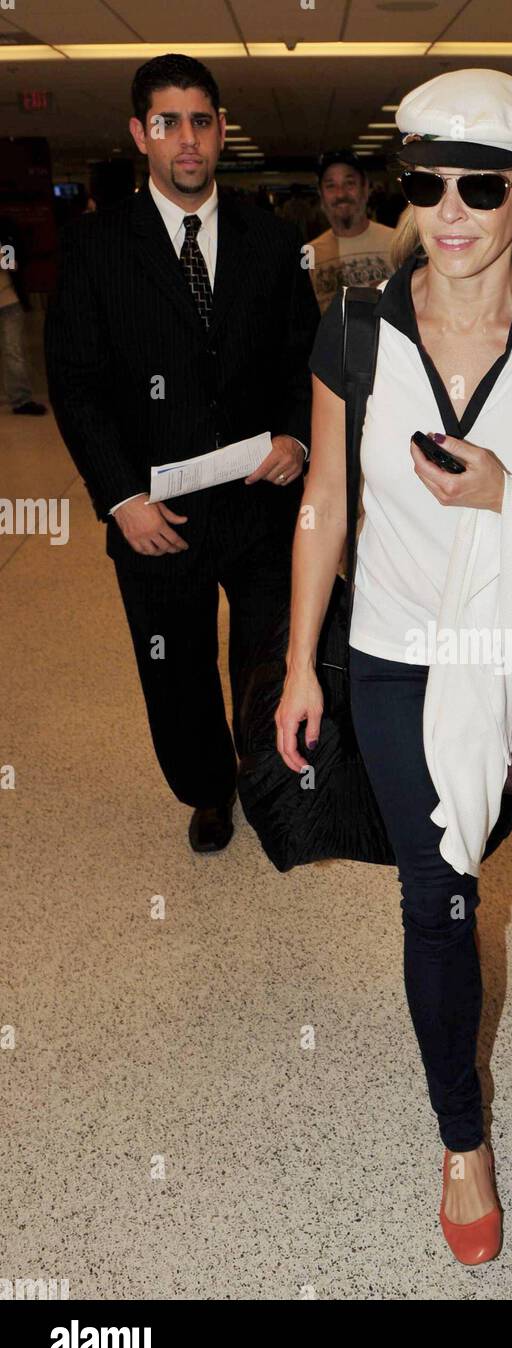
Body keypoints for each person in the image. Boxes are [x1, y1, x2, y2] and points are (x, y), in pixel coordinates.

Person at [276, 68, 512, 1265]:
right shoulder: (351, 322)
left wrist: (505, 496)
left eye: (482, 184)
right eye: (426, 184)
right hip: (389, 652)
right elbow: (324, 501)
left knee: (471, 854)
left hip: (510, 663)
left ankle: (458, 1067)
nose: (452, 210)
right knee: (438, 893)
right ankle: (463, 1139)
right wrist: (298, 666)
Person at [45, 53, 319, 853]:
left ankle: (275, 781)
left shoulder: (272, 240)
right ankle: (208, 787)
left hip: (264, 499)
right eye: (168, 123)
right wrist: (121, 499)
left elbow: (308, 357)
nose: (187, 140)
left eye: (202, 121)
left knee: (270, 653)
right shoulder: (97, 247)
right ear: (141, 134)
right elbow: (77, 381)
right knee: (177, 667)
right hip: (156, 511)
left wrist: (297, 436)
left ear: (222, 129)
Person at [306, 151, 396, 314]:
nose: (340, 194)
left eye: (349, 183)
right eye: (330, 186)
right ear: (321, 195)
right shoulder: (309, 254)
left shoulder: (397, 242)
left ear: (366, 188)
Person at [0, 216, 46, 417]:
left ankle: (21, 399)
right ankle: (20, 398)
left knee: (13, 350)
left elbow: (11, 263)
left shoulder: (5, 230)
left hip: (9, 299)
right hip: (9, 299)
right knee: (13, 351)